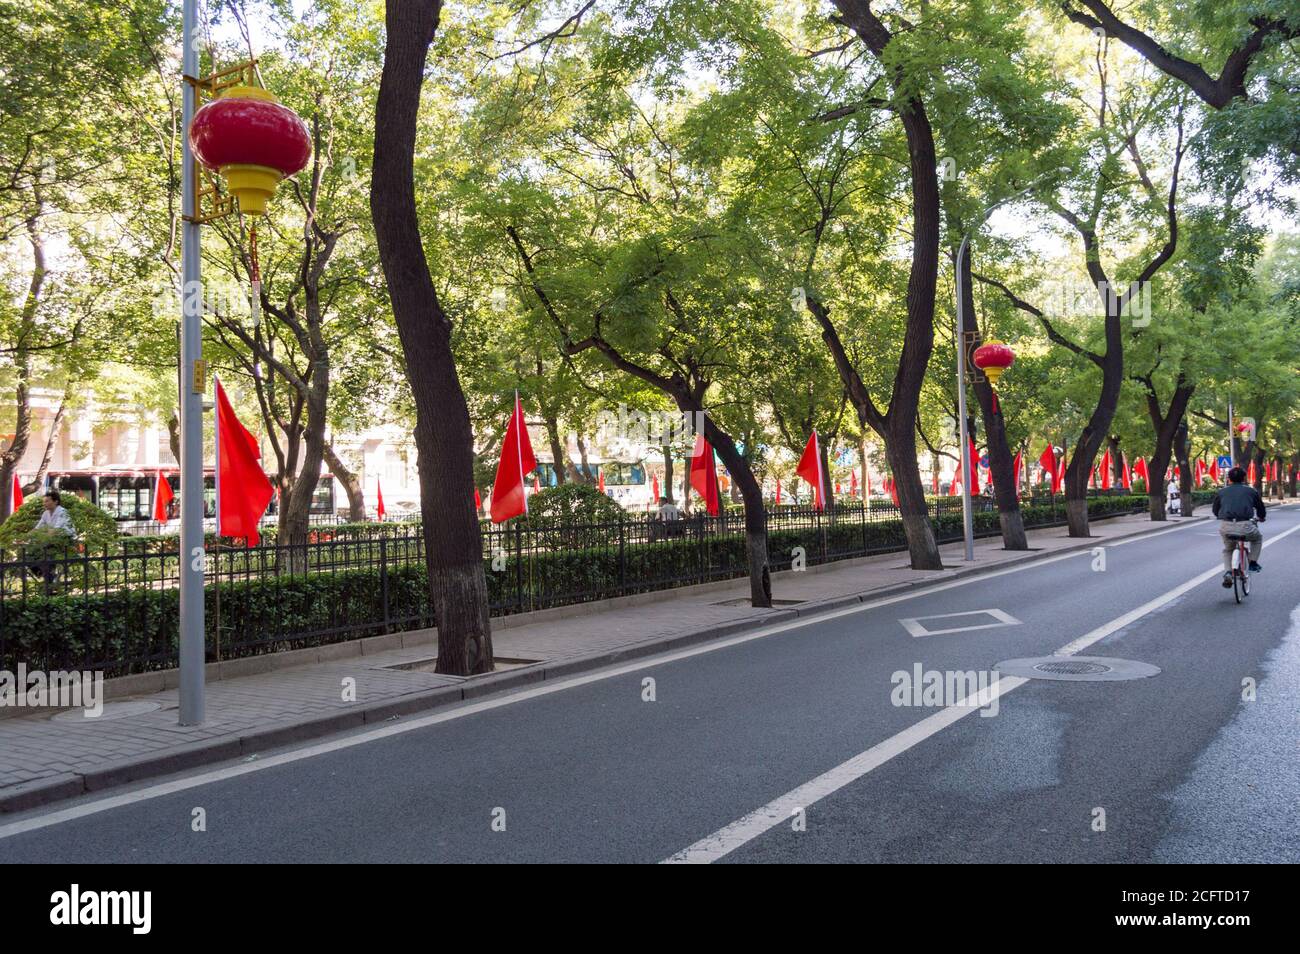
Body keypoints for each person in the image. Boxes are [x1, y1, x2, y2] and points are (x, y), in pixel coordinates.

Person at [1212, 467, 1265, 587]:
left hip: (1226, 526)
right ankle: (1252, 562)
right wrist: (1261, 517)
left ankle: (1228, 572)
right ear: (1244, 478)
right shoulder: (1251, 491)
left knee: (1228, 549)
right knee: (1257, 539)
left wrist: (1220, 515)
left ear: (1229, 479)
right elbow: (1260, 508)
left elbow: (1215, 510)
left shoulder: (1221, 492)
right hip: (1245, 525)